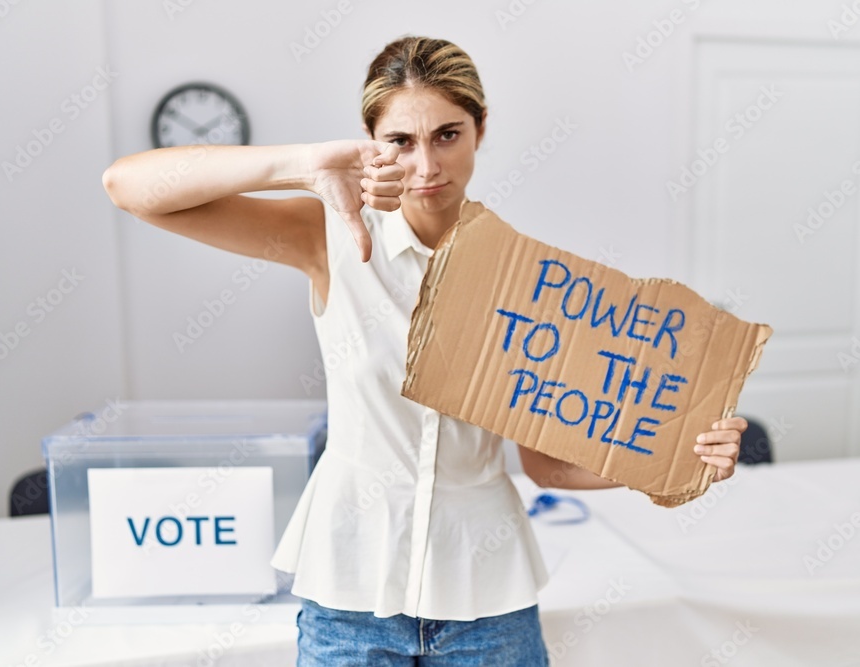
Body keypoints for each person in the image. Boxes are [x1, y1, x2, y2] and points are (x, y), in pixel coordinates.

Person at [101, 34, 746, 666]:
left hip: (486, 604)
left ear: (480, 129)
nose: (427, 167)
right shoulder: (329, 239)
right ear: (369, 141)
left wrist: (680, 451)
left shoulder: (531, 283)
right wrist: (301, 167)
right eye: (401, 141)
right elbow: (128, 188)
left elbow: (548, 467)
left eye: (447, 134)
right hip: (349, 599)